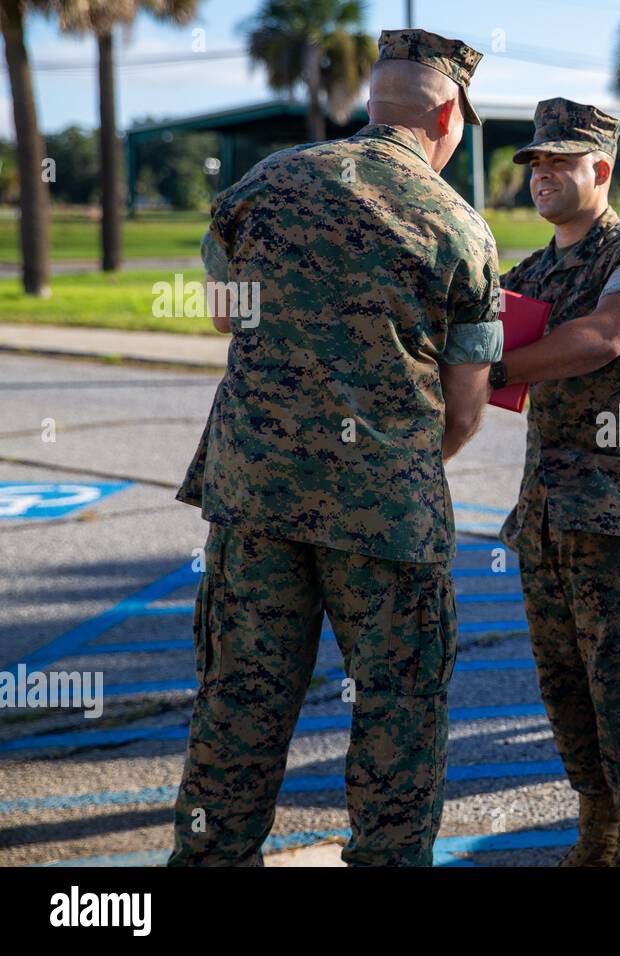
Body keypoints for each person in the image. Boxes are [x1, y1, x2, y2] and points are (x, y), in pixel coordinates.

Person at [168, 29, 501, 866]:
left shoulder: (266, 182)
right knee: (398, 713)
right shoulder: (463, 230)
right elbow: (465, 413)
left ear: (373, 103)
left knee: (239, 705)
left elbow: (221, 312)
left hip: (255, 500)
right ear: (446, 113)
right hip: (389, 517)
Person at [491, 98, 620, 865]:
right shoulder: (532, 272)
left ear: (601, 169)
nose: (542, 174)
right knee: (566, 687)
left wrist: (494, 368)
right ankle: (594, 834)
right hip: (546, 519)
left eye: (559, 161)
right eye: (535, 162)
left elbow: (606, 336)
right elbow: (467, 334)